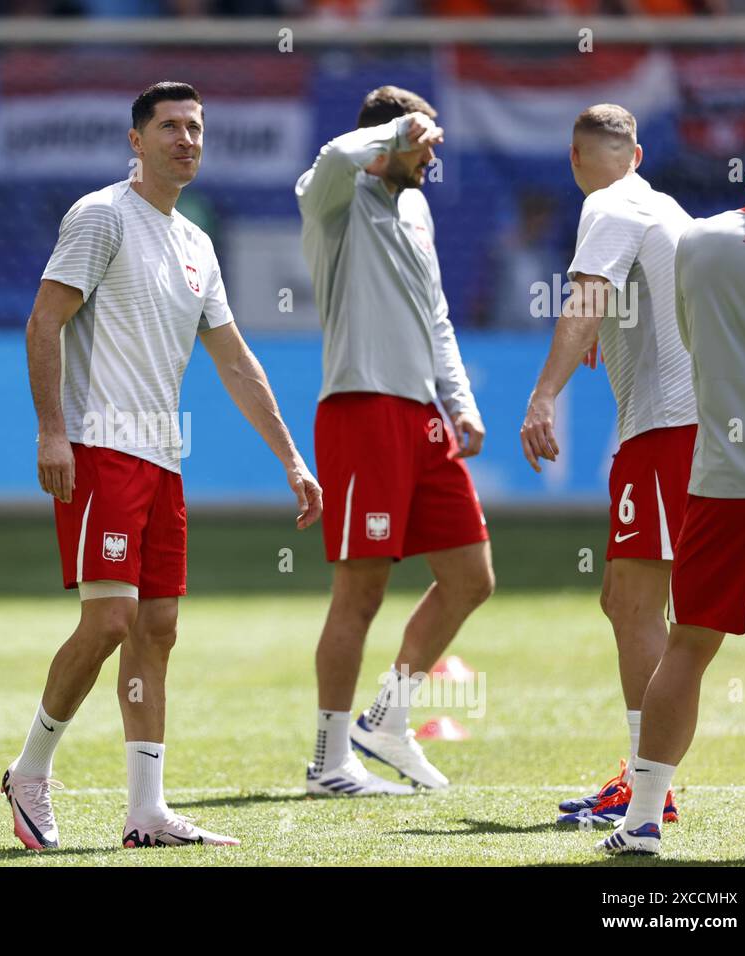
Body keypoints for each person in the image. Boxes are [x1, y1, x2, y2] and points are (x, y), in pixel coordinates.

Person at [4, 81, 322, 850]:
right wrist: (53, 433)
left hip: (162, 458)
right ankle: (29, 771)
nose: (187, 140)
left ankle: (146, 811)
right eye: (171, 126)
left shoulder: (196, 243)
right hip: (100, 448)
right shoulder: (102, 216)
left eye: (196, 128)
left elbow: (235, 361)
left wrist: (291, 458)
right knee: (110, 620)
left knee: (158, 628)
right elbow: (44, 321)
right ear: (136, 140)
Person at [295, 86, 493, 798]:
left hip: (422, 415)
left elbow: (435, 313)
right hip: (361, 407)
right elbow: (331, 158)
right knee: (361, 591)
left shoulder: (416, 208)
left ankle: (387, 719)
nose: (432, 158)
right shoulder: (335, 198)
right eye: (424, 144)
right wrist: (397, 132)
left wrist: (459, 400)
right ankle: (328, 763)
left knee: (471, 576)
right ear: (393, 140)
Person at [601, 120, 745, 858]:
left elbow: (690, 339)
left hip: (723, 479)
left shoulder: (700, 241)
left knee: (687, 646)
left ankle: (644, 818)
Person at [521, 104, 694, 827]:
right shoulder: (663, 206)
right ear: (638, 153)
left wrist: (543, 395)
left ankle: (648, 791)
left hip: (663, 428)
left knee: (638, 604)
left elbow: (586, 297)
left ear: (573, 157)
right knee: (627, 598)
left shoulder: (607, 204)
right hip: (687, 426)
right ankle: (643, 777)